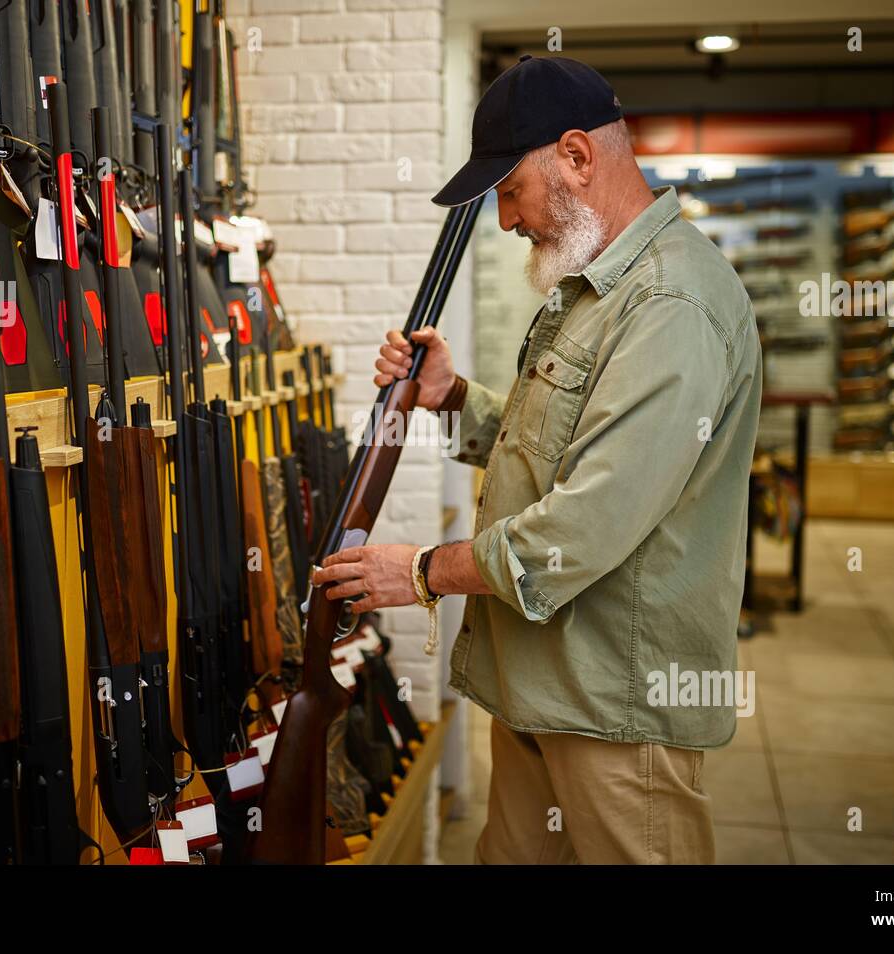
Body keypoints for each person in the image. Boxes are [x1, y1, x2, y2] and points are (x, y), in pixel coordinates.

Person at [309, 55, 762, 864]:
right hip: (544, 688)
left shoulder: (669, 304)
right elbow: (556, 446)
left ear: (578, 157)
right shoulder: (600, 291)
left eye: (509, 192)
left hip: (614, 712)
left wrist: (419, 572)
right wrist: (451, 397)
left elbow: (587, 522)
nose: (507, 221)